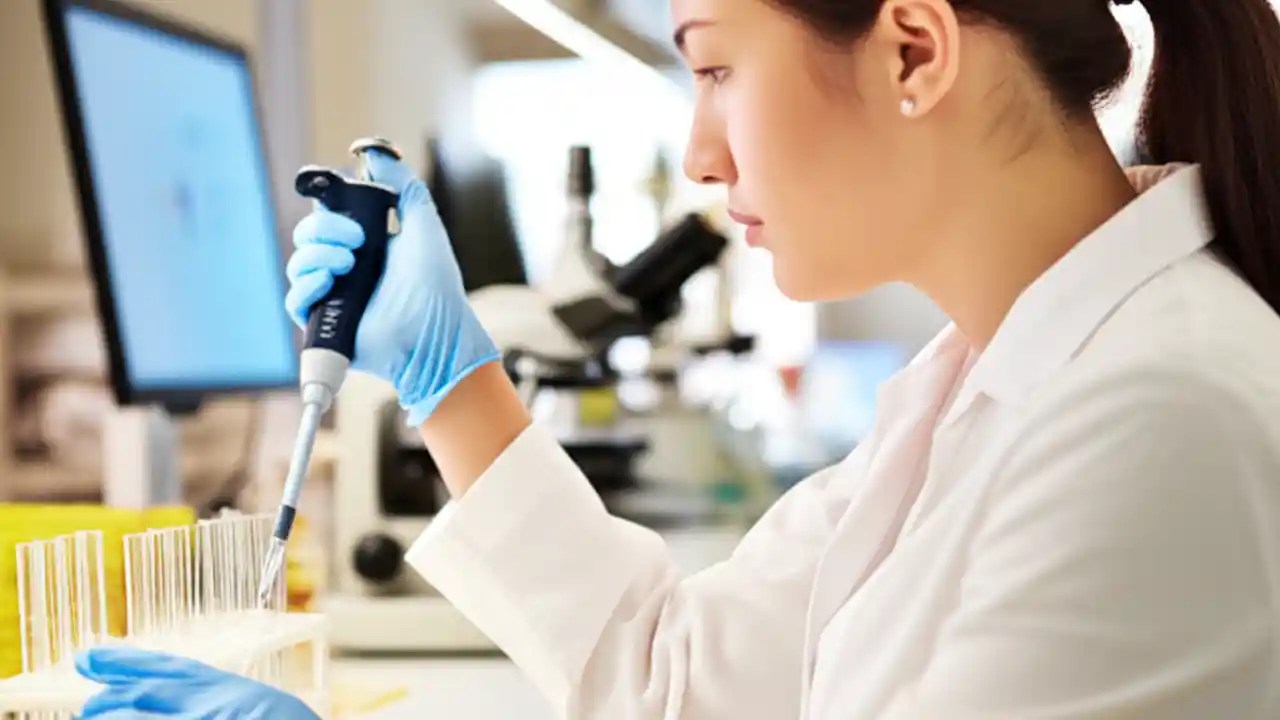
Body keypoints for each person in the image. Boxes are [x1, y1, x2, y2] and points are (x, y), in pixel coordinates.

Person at [76, 0, 1280, 717]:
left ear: (913, 49)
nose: (700, 153)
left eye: (712, 67)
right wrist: (448, 382)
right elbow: (675, 683)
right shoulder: (983, 382)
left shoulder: (1151, 417)